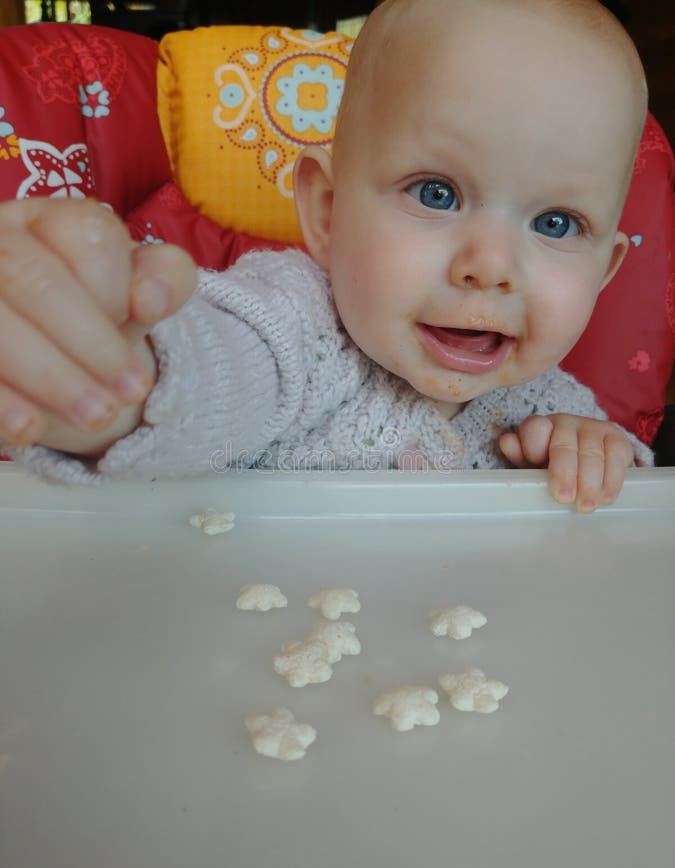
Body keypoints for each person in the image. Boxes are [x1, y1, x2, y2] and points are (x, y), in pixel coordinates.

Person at [0, 0, 653, 510]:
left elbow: (618, 531)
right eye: (437, 193)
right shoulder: (294, 330)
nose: (490, 266)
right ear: (326, 212)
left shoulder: (551, 400)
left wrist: (597, 456)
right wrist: (102, 375)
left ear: (603, 273)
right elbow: (203, 378)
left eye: (555, 223)